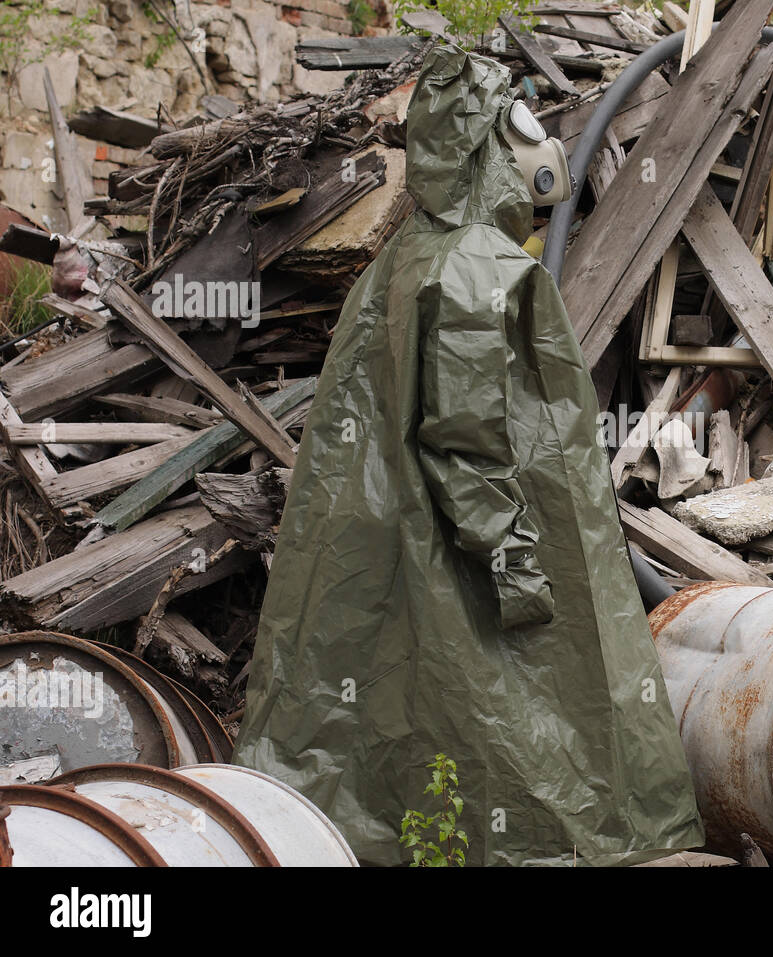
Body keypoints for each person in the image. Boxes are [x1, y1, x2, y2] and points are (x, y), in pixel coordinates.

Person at [235, 43, 704, 866]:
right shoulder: (478, 266)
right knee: (506, 708)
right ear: (492, 147)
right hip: (464, 539)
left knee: (409, 697)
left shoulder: (400, 259)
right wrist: (517, 563)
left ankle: (352, 837)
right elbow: (463, 439)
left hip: (388, 535)